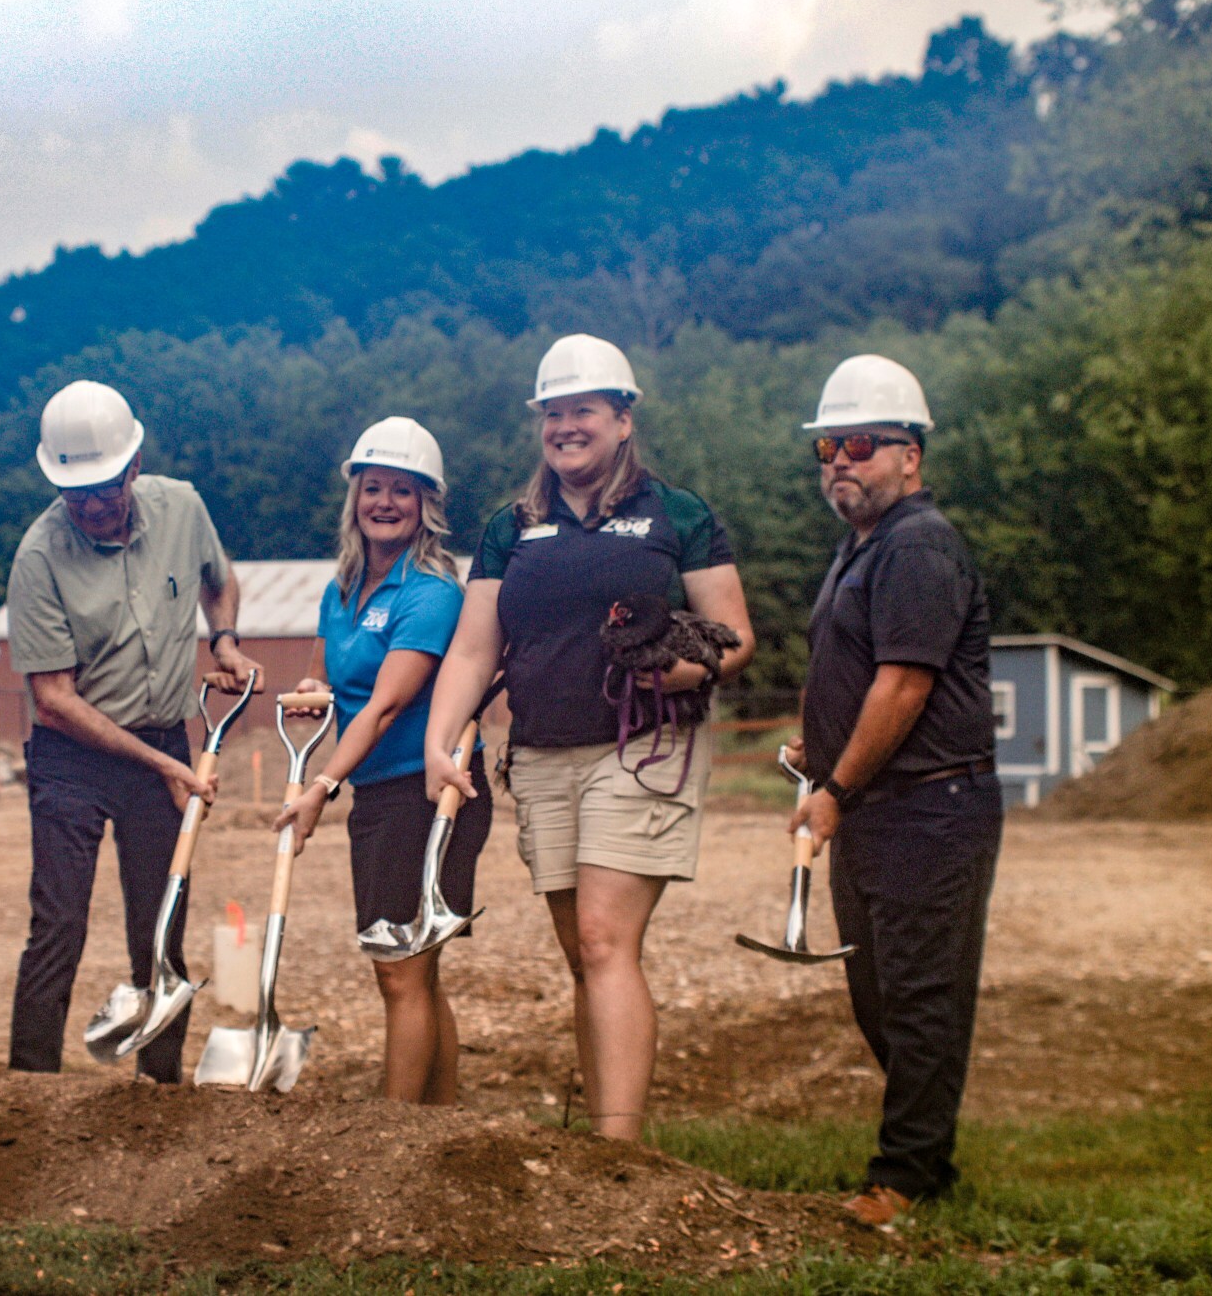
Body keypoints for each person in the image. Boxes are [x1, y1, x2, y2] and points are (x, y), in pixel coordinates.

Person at [424, 334, 754, 1140]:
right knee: (586, 954)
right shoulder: (515, 525)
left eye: (584, 410)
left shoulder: (676, 514)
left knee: (607, 937)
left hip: (641, 746)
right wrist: (442, 741)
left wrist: (675, 670)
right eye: (554, 413)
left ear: (622, 418)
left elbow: (734, 637)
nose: (566, 426)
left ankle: (617, 1149)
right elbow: (475, 647)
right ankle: (604, 1141)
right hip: (540, 751)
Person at [784, 354, 1003, 1228]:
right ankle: (927, 1156)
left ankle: (904, 1176)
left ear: (910, 454)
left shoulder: (918, 542)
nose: (841, 459)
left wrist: (836, 783)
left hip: (930, 807)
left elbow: (905, 685)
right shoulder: (860, 547)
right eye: (828, 445)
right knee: (878, 993)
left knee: (919, 995)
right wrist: (821, 746)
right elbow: (855, 668)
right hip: (882, 805)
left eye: (861, 443)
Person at [5, 380, 261, 1082]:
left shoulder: (181, 507)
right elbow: (53, 698)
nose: (89, 505)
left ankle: (160, 1084)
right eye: (73, 492)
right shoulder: (37, 556)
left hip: (162, 747)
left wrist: (227, 641)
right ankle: (28, 1087)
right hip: (72, 757)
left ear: (135, 465)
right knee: (58, 923)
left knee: (162, 917)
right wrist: (161, 761)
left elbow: (219, 580)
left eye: (103, 488)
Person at [273, 417, 491, 1104]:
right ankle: (439, 1120)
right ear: (355, 497)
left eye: (403, 489)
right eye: (374, 488)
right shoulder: (342, 588)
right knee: (413, 972)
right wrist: (314, 691)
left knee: (401, 970)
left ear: (428, 503)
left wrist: (322, 786)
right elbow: (326, 675)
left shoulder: (430, 591)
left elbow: (387, 706)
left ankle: (394, 1134)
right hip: (380, 796)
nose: (386, 502)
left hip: (429, 794)